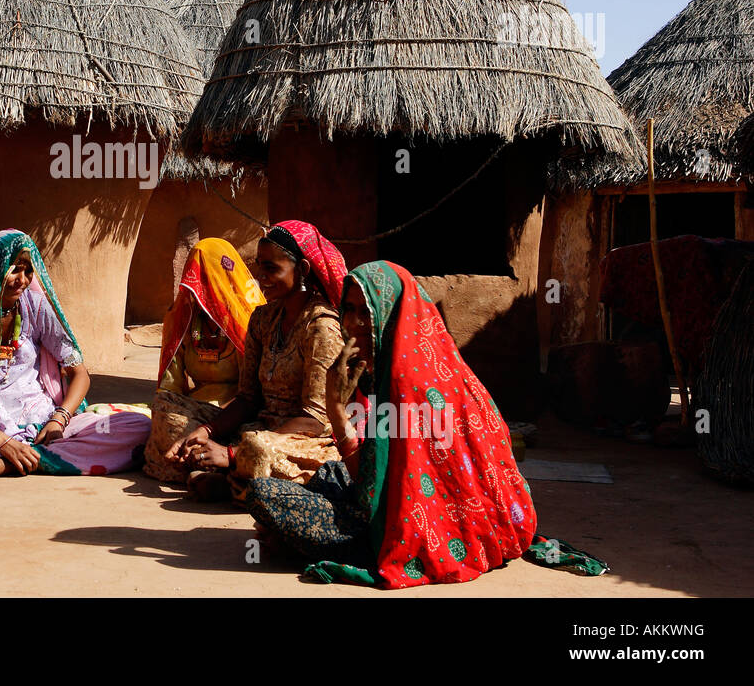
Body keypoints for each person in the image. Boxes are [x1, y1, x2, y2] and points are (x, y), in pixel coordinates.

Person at [243, 260, 608, 586]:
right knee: (326, 476)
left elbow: (374, 496)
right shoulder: (435, 364)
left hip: (410, 525)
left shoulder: (407, 385)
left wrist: (335, 409)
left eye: (364, 313)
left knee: (265, 494)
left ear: (391, 313)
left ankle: (313, 543)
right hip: (470, 515)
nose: (352, 325)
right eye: (348, 310)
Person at [0, 229, 151, 481]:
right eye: (14, 269)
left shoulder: (35, 304)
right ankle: (26, 456)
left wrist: (59, 420)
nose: (22, 279)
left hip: (42, 422)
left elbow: (79, 373)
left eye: (28, 271)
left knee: (138, 427)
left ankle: (18, 462)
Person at [165, 220, 348, 501]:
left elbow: (315, 420)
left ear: (302, 270)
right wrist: (206, 431)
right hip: (258, 429)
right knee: (170, 415)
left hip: (302, 441)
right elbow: (248, 398)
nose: (261, 277)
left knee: (260, 450)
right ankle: (236, 477)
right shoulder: (262, 319)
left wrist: (232, 452)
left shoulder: (321, 327)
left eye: (272, 268)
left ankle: (235, 482)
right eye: (260, 266)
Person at [144, 238, 266, 483]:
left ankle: (211, 462)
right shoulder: (181, 320)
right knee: (163, 409)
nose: (198, 288)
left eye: (206, 281)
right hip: (194, 414)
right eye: (195, 280)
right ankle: (206, 462)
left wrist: (217, 423)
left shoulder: (249, 319)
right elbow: (170, 388)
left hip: (234, 415)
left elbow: (252, 395)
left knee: (256, 440)